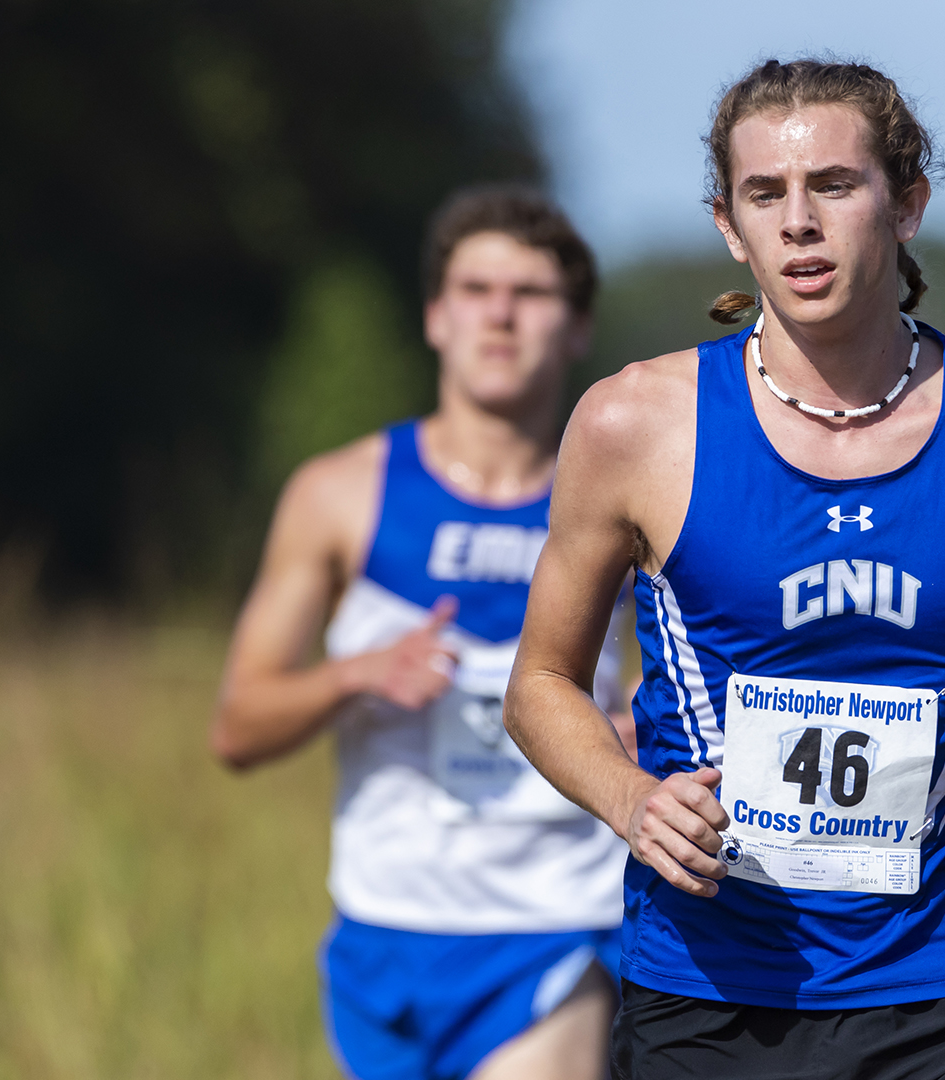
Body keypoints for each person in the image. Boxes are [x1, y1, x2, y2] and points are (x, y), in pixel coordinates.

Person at [503, 58, 945, 1080]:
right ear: (730, 224)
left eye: (834, 186)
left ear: (907, 205)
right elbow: (539, 684)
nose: (798, 222)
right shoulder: (636, 425)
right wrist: (631, 801)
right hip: (706, 997)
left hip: (942, 998)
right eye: (765, 194)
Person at [209, 185, 630, 1080]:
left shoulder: (632, 504)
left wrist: (640, 737)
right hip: (387, 933)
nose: (501, 317)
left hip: (554, 924)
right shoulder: (340, 495)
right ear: (437, 317)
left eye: (532, 294)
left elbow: (686, 698)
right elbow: (238, 727)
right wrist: (354, 676)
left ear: (579, 326)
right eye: (476, 291)